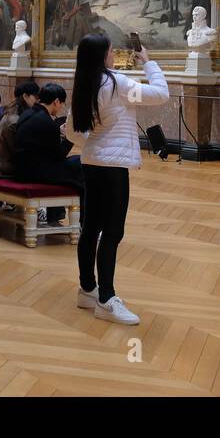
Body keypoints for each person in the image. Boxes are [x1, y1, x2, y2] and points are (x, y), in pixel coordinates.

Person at [71, 32, 169, 325]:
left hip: (91, 162)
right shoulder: (117, 84)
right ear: (104, 56)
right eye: (111, 52)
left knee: (90, 228)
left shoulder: (83, 82)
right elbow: (161, 94)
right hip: (113, 167)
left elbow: (72, 131)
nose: (114, 56)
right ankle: (106, 299)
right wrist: (148, 63)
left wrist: (96, 139)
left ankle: (88, 289)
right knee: (112, 233)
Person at [13, 83, 83, 226]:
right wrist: (70, 136)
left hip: (21, 168)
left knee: (75, 164)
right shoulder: (47, 122)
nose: (61, 107)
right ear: (56, 101)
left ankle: (56, 214)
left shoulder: (27, 114)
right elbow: (59, 157)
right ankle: (84, 223)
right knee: (82, 167)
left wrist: (59, 133)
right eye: (61, 104)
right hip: (35, 173)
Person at [0, 81, 39, 179]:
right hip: (8, 168)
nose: (38, 100)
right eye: (36, 97)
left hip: (9, 163)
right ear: (25, 96)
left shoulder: (16, 111)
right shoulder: (14, 119)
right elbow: (20, 152)